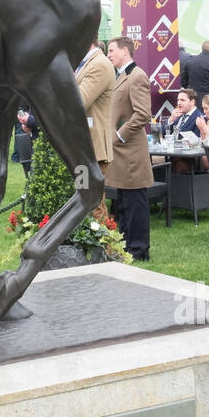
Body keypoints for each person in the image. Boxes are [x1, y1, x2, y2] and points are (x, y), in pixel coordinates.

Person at [106, 36, 154, 261]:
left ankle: (139, 250)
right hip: (121, 153)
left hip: (131, 153)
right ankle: (126, 247)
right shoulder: (122, 75)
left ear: (125, 51)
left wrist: (119, 135)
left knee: (135, 204)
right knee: (124, 203)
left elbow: (143, 113)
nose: (109, 54)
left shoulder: (137, 76)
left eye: (112, 50)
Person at [75, 39, 116, 219]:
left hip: (93, 148)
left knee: (93, 205)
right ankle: (107, 246)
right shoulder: (87, 63)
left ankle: (105, 247)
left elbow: (79, 101)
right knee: (90, 203)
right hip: (85, 147)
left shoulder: (99, 64)